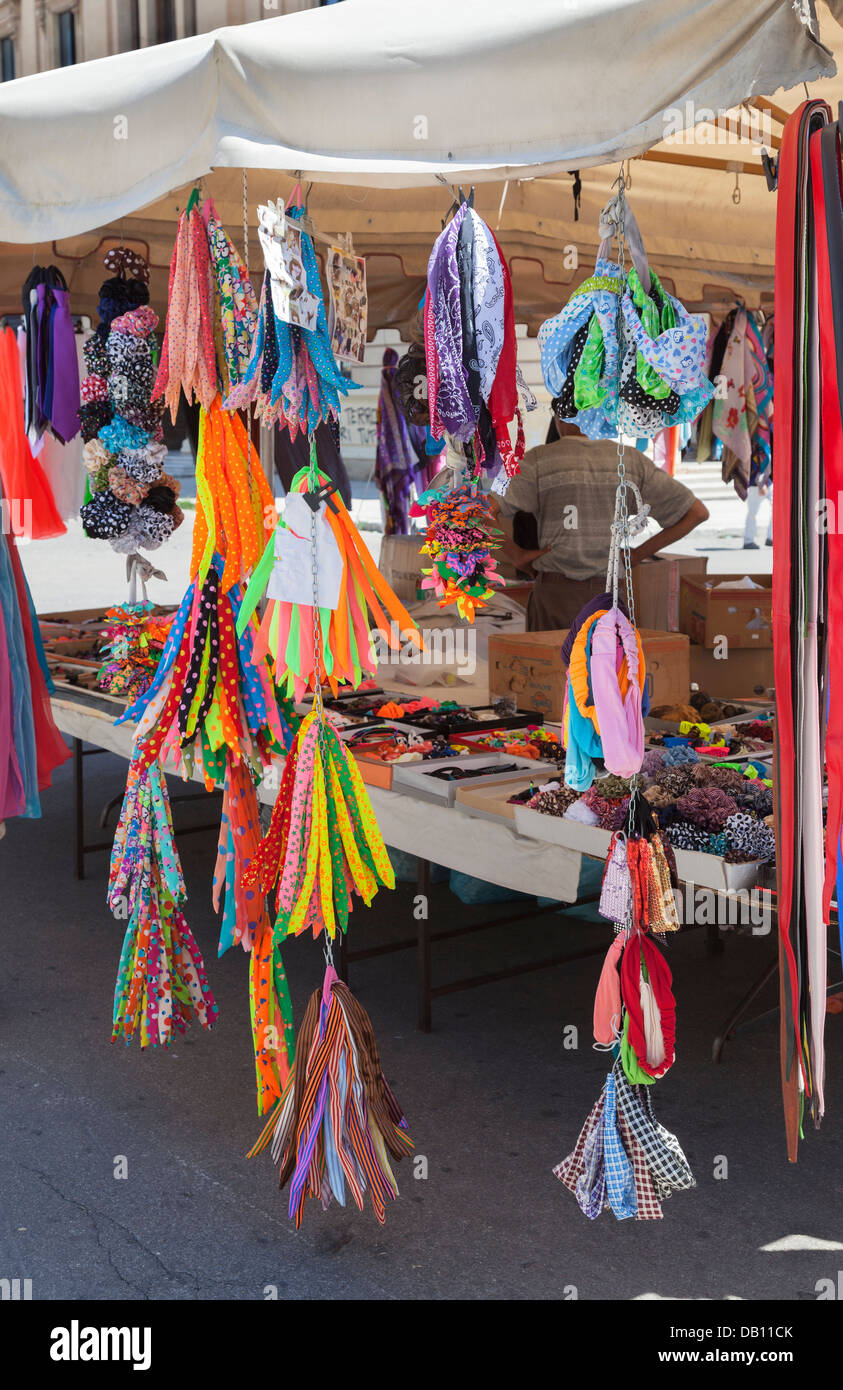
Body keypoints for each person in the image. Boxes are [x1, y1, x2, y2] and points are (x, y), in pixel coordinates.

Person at [490, 408, 709, 631]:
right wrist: (636, 555)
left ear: (558, 418)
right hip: (609, 597)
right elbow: (697, 512)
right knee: (608, 666)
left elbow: (482, 511)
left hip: (554, 597)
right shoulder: (630, 461)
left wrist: (516, 555)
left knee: (550, 665)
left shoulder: (539, 460)